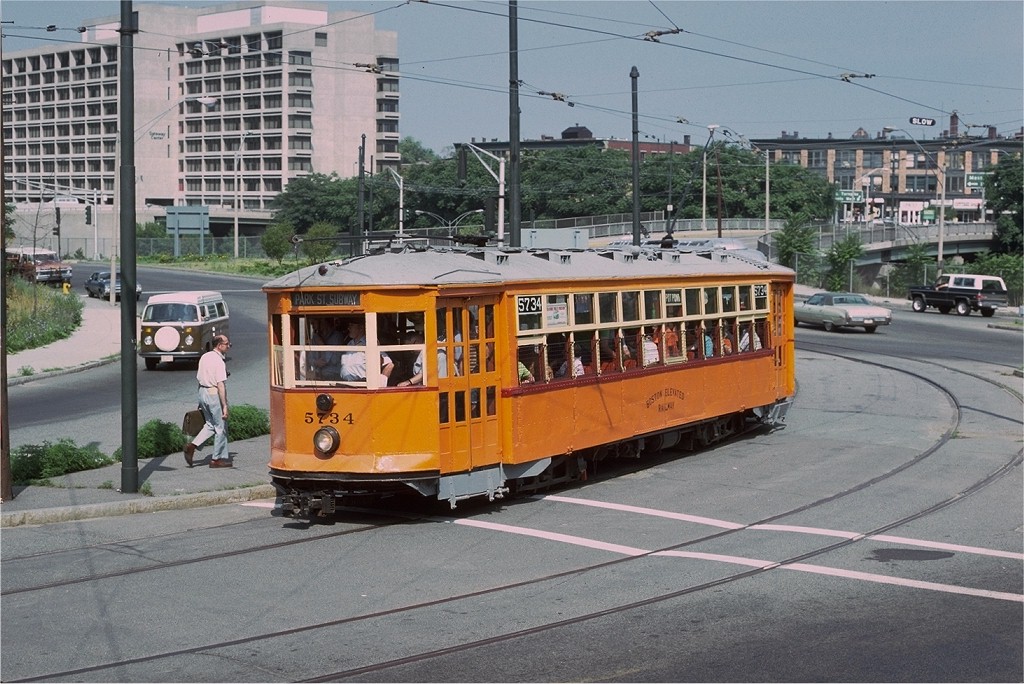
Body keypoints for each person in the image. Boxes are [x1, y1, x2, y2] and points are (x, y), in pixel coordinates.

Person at [185, 334, 232, 468]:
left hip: (202, 391)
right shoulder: (219, 361)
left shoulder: (205, 357)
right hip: (213, 393)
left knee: (210, 424)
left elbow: (201, 376)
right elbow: (220, 385)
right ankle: (217, 459)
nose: (228, 346)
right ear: (219, 345)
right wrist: (224, 406)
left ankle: (192, 446)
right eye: (227, 343)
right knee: (220, 427)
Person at [340, 320, 394, 385]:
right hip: (346, 385)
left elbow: (389, 365)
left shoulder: (370, 343)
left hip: (362, 385)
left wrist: (381, 383)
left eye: (352, 325)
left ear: (361, 328)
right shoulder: (350, 343)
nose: (349, 328)